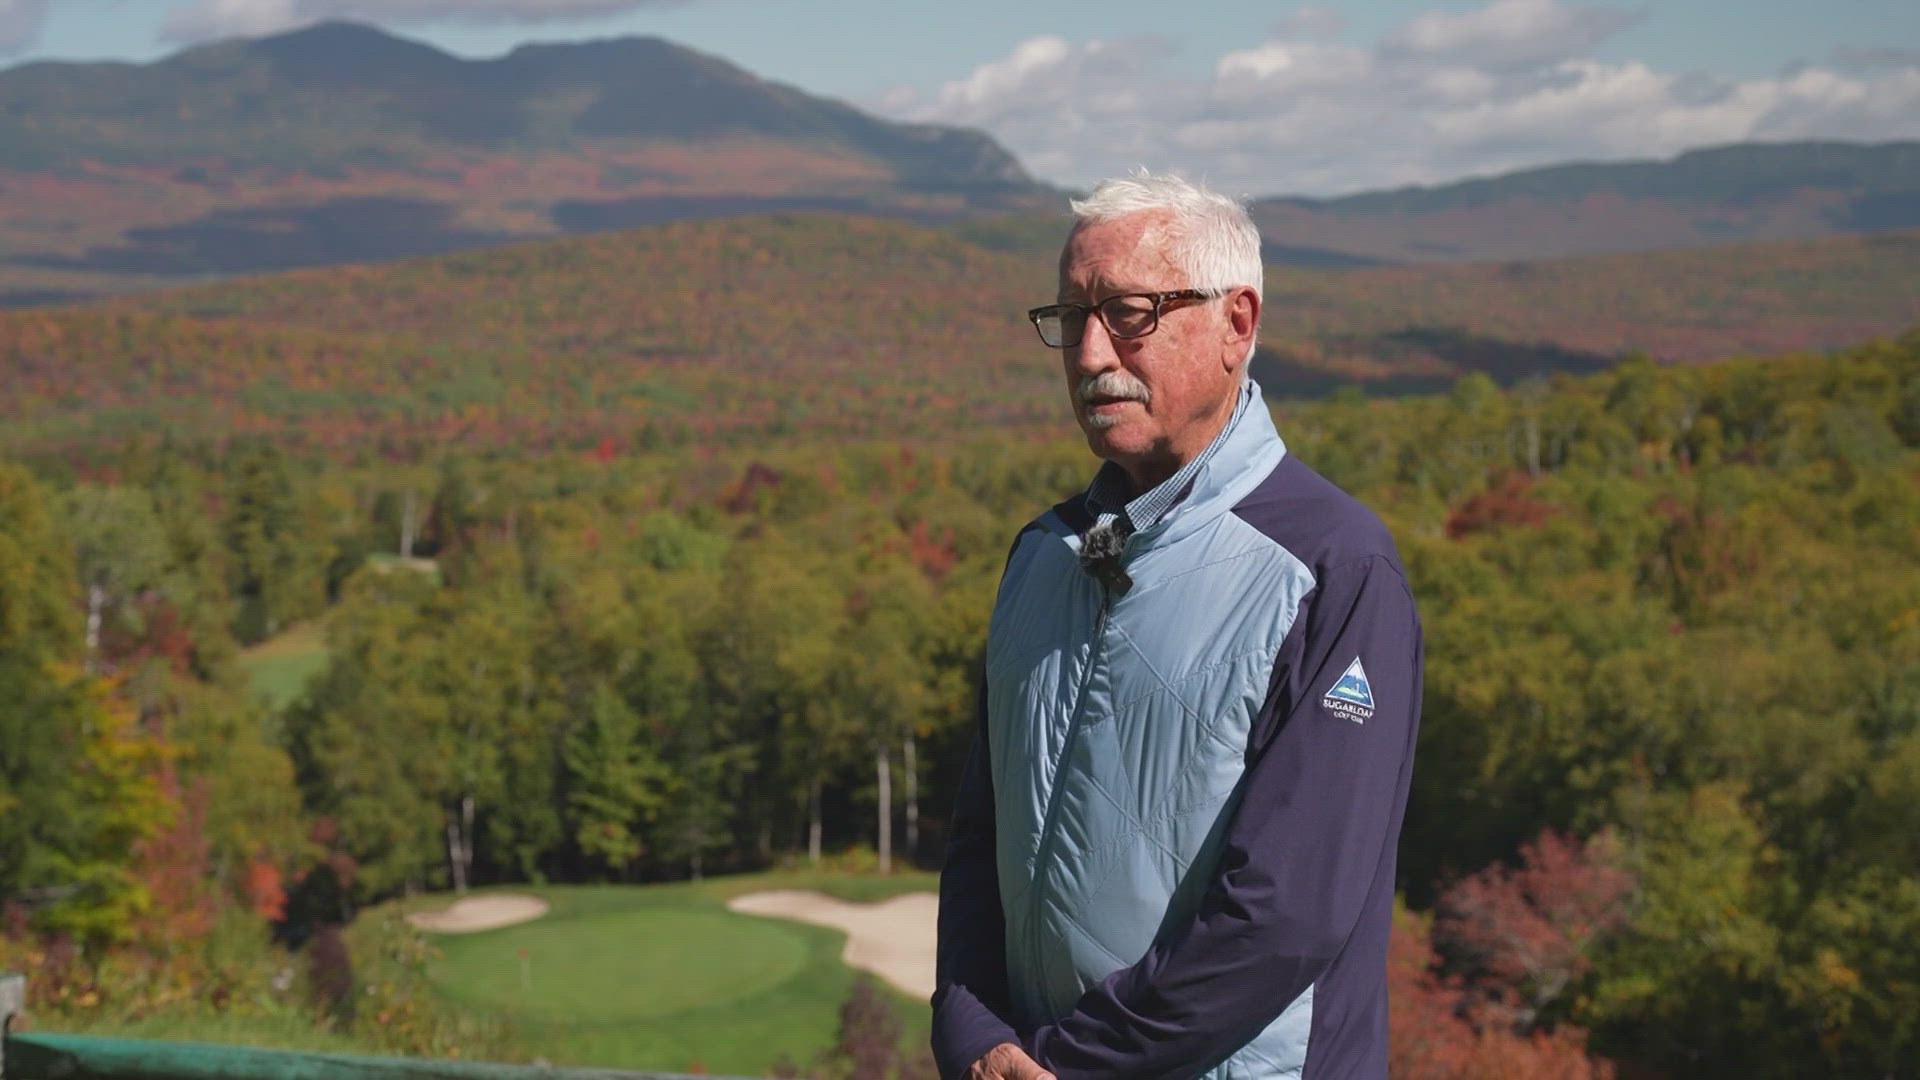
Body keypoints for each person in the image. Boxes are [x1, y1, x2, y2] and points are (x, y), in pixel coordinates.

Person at [931, 173, 1423, 1080]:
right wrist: (971, 1032)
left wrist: (1067, 1064)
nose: (1090, 353)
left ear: (1237, 322)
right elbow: (979, 838)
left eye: (1129, 313)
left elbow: (1285, 913)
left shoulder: (1333, 567)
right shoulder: (1042, 555)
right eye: (1070, 316)